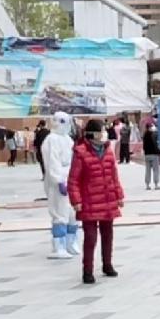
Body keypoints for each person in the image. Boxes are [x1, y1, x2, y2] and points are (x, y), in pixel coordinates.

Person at [69, 118, 124, 284]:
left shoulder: (108, 151)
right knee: (91, 238)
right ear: (93, 134)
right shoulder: (80, 152)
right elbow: (73, 180)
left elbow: (114, 176)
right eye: (102, 131)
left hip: (107, 199)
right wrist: (76, 200)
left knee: (108, 235)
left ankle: (107, 264)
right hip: (88, 202)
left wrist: (119, 195)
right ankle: (87, 271)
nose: (104, 134)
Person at [42, 112, 78, 259]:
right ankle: (59, 246)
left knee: (72, 213)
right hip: (58, 181)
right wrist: (59, 180)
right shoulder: (51, 139)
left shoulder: (67, 139)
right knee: (60, 212)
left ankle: (71, 242)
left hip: (70, 177)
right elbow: (52, 162)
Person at [143, 121, 160, 190]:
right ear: (150, 127)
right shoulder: (153, 135)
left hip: (147, 155)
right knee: (156, 170)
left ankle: (147, 185)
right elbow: (155, 145)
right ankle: (156, 184)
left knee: (147, 170)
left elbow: (144, 146)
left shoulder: (145, 135)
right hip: (154, 154)